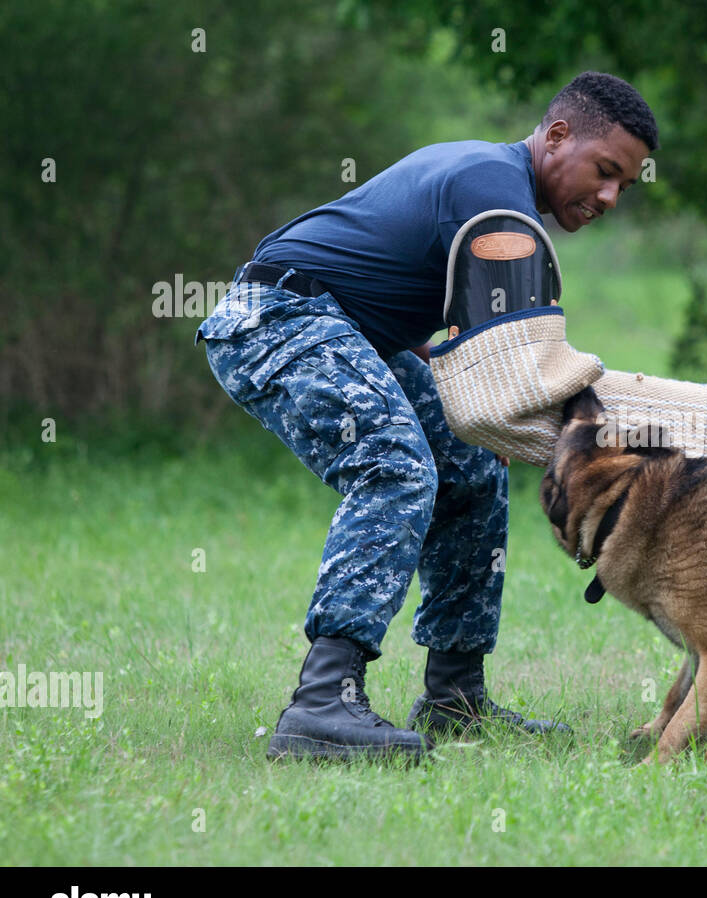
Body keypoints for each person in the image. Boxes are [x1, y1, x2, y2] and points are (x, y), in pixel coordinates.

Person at [194, 72, 658, 761]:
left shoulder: (496, 189)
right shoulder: (494, 192)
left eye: (627, 184)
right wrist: (649, 427)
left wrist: (486, 421)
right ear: (558, 136)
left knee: (470, 466)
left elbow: (448, 331)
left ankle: (455, 699)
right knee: (394, 466)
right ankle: (322, 704)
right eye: (606, 171)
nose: (611, 196)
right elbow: (523, 361)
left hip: (344, 325)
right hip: (276, 317)